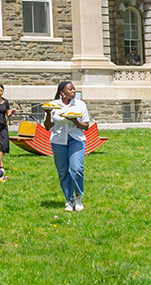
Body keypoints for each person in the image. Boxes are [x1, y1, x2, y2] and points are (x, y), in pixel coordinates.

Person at [44, 81, 90, 212]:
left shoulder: (80, 104)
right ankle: (68, 200)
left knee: (77, 168)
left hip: (76, 139)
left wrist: (76, 121)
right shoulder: (53, 105)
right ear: (62, 92)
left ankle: (78, 196)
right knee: (63, 172)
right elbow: (47, 127)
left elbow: (86, 126)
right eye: (70, 89)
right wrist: (48, 114)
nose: (73, 92)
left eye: (74, 89)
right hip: (58, 140)